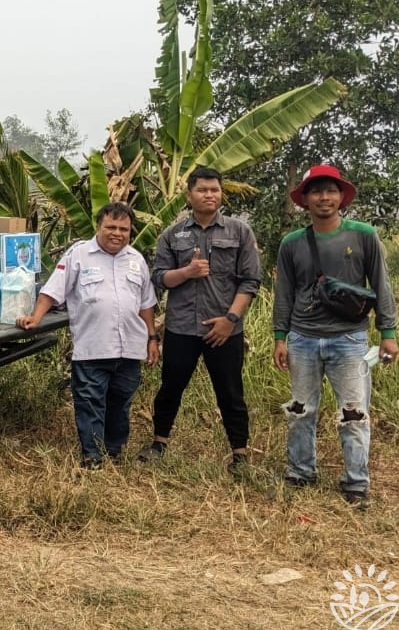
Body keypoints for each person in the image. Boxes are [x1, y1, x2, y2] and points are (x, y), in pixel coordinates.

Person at [273, 164, 398, 506]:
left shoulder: (363, 234)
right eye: (316, 191)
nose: (323, 197)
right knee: (301, 411)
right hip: (302, 338)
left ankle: (356, 483)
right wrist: (279, 336)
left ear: (341, 196)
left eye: (330, 190)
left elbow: (381, 284)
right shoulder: (292, 243)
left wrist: (388, 332)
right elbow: (283, 292)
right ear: (305, 199)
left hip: (351, 339)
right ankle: (300, 473)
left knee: (354, 413)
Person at [17, 202, 159, 468]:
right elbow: (53, 290)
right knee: (90, 403)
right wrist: (35, 317)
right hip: (93, 347)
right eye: (111, 227)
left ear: (130, 231)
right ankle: (92, 456)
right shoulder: (79, 255)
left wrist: (152, 338)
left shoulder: (136, 260)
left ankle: (114, 452)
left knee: (120, 403)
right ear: (99, 226)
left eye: (123, 229)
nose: (117, 233)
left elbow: (146, 303)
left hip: (130, 348)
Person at [140, 167, 263, 473]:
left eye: (215, 190)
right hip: (181, 327)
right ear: (189, 195)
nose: (210, 195)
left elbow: (250, 281)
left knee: (231, 391)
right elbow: (159, 278)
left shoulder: (239, 232)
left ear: (221, 194)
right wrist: (188, 272)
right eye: (203, 190)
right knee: (170, 388)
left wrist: (231, 319)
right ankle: (159, 443)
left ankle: (240, 454)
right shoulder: (173, 234)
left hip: (224, 328)